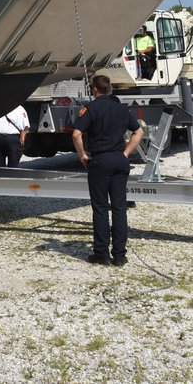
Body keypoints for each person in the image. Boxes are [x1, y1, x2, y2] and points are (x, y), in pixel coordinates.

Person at [72, 74, 143, 266]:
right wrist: (126, 152)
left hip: (100, 161)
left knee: (101, 208)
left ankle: (101, 254)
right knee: (120, 208)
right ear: (109, 89)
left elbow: (77, 133)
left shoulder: (89, 108)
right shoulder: (121, 108)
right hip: (119, 160)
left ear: (95, 89)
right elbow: (138, 132)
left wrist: (82, 155)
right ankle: (119, 255)